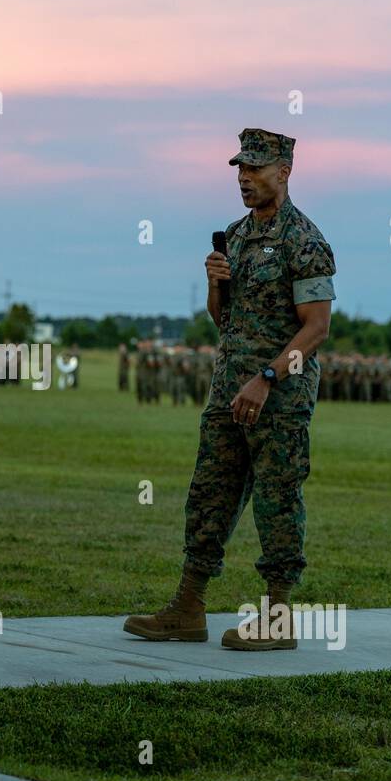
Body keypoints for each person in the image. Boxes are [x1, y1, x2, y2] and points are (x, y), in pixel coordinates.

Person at [124, 128, 335, 651]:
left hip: (277, 397)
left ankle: (279, 619)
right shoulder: (235, 236)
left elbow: (315, 329)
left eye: (256, 169)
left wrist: (266, 379)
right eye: (240, 169)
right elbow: (226, 321)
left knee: (276, 496)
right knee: (209, 493)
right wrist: (217, 283)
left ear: (283, 172)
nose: (245, 178)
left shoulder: (304, 241)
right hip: (228, 390)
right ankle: (188, 607)